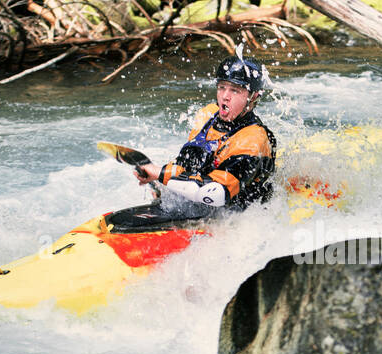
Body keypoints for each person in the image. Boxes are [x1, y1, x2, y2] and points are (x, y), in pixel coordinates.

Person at [106, 53, 277, 232]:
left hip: (238, 218)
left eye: (235, 90)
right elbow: (189, 166)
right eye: (221, 87)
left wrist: (160, 174)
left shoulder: (253, 139)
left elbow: (216, 194)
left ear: (253, 97)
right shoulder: (207, 115)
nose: (225, 97)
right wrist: (162, 185)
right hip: (201, 207)